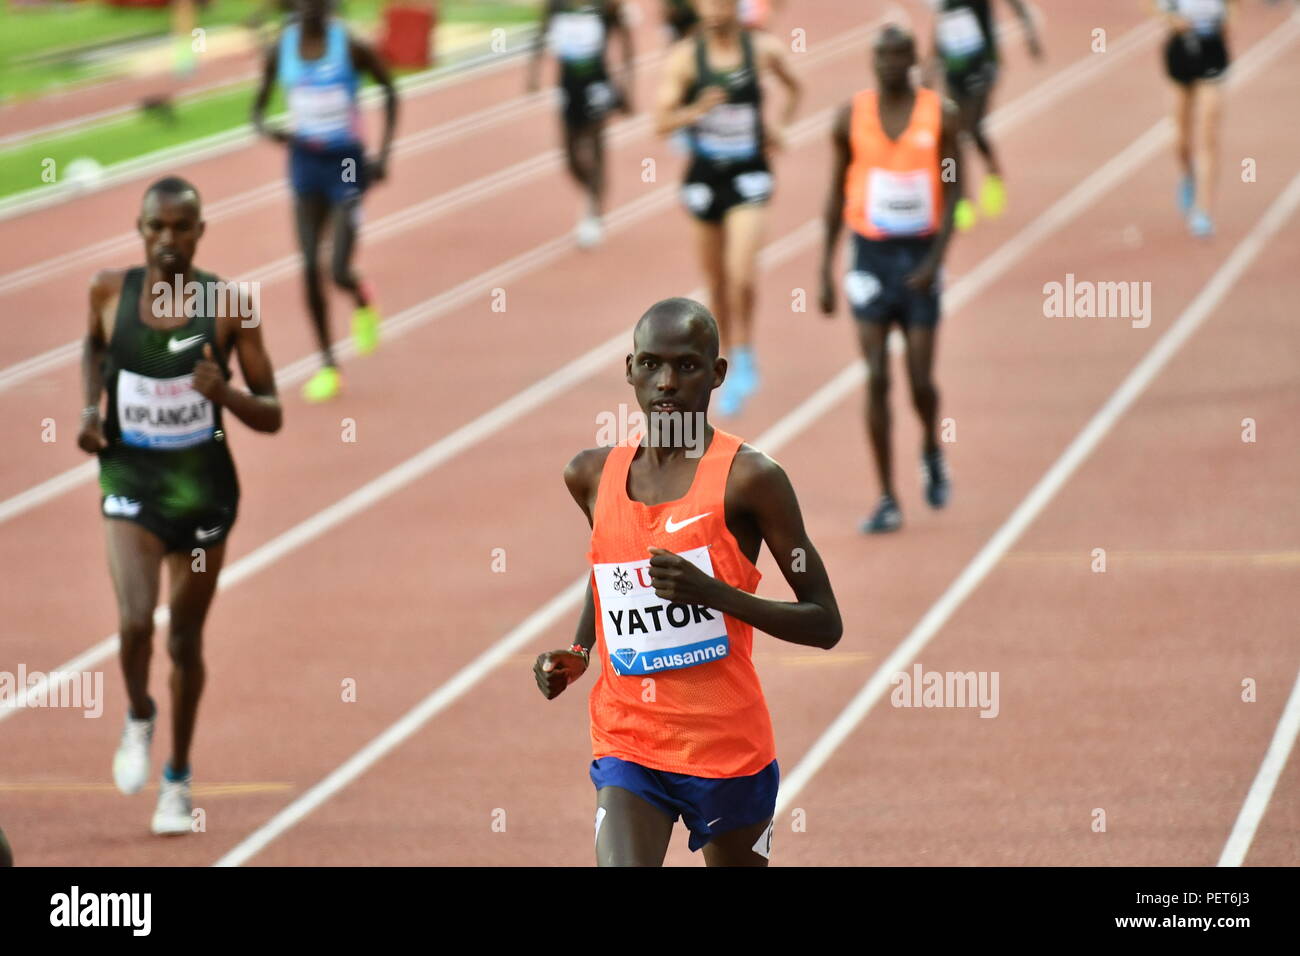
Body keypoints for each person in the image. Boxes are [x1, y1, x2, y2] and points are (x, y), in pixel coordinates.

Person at [535, 297, 841, 867]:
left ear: (718, 373)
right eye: (650, 364)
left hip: (726, 749)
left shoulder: (752, 481)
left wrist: (716, 595)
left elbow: (825, 623)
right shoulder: (591, 475)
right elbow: (611, 570)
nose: (667, 382)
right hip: (630, 740)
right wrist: (581, 648)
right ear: (629, 370)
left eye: (687, 365)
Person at [78, 176, 282, 835]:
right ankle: (139, 713)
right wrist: (90, 411)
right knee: (137, 622)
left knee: (185, 639)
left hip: (204, 497)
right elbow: (93, 348)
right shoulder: (110, 291)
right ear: (140, 230)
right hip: (131, 484)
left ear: (201, 231)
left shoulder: (230, 306)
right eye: (156, 227)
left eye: (181, 227)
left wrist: (227, 395)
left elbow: (273, 412)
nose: (168, 239)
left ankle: (178, 777)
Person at [818, 25, 961, 534]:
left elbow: (952, 184)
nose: (890, 63)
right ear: (871, 60)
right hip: (870, 258)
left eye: (900, 54)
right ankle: (886, 496)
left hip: (920, 258)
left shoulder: (939, 115)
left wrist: (935, 259)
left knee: (921, 381)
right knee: (876, 375)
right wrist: (825, 271)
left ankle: (930, 446)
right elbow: (835, 195)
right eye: (882, 55)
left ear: (914, 59)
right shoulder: (849, 118)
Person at [654, 0, 800, 417]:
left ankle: (747, 354)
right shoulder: (685, 59)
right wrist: (694, 111)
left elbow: (795, 87)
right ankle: (726, 362)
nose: (716, 9)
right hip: (705, 176)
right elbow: (660, 122)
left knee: (740, 273)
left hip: (749, 173)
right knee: (715, 281)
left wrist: (780, 126)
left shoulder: (763, 51)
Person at [251, 0, 398, 403]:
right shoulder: (281, 49)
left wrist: (383, 155)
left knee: (336, 269)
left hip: (347, 162)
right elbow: (258, 109)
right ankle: (329, 365)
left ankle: (360, 293)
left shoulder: (349, 45)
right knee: (309, 264)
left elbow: (389, 89)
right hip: (305, 162)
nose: (311, 6)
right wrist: (271, 130)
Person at [923, 0, 1041, 232]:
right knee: (955, 136)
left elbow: (1016, 5)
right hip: (953, 67)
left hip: (982, 66)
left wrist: (1030, 35)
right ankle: (959, 198)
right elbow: (943, 23)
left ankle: (993, 175)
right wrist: (930, 66)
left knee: (970, 130)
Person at [527, 0, 635, 249]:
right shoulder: (557, 4)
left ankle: (593, 214)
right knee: (569, 156)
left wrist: (628, 88)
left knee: (596, 146)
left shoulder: (606, 5)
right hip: (567, 84)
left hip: (597, 83)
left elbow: (627, 43)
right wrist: (532, 75)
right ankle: (592, 190)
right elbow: (540, 34)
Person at [1156, 0, 1234, 237]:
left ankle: (1204, 210)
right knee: (1180, 139)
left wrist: (1227, 21)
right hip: (1181, 50)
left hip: (1212, 50)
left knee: (1209, 134)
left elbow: (1236, 6)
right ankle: (1188, 175)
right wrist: (1171, 19)